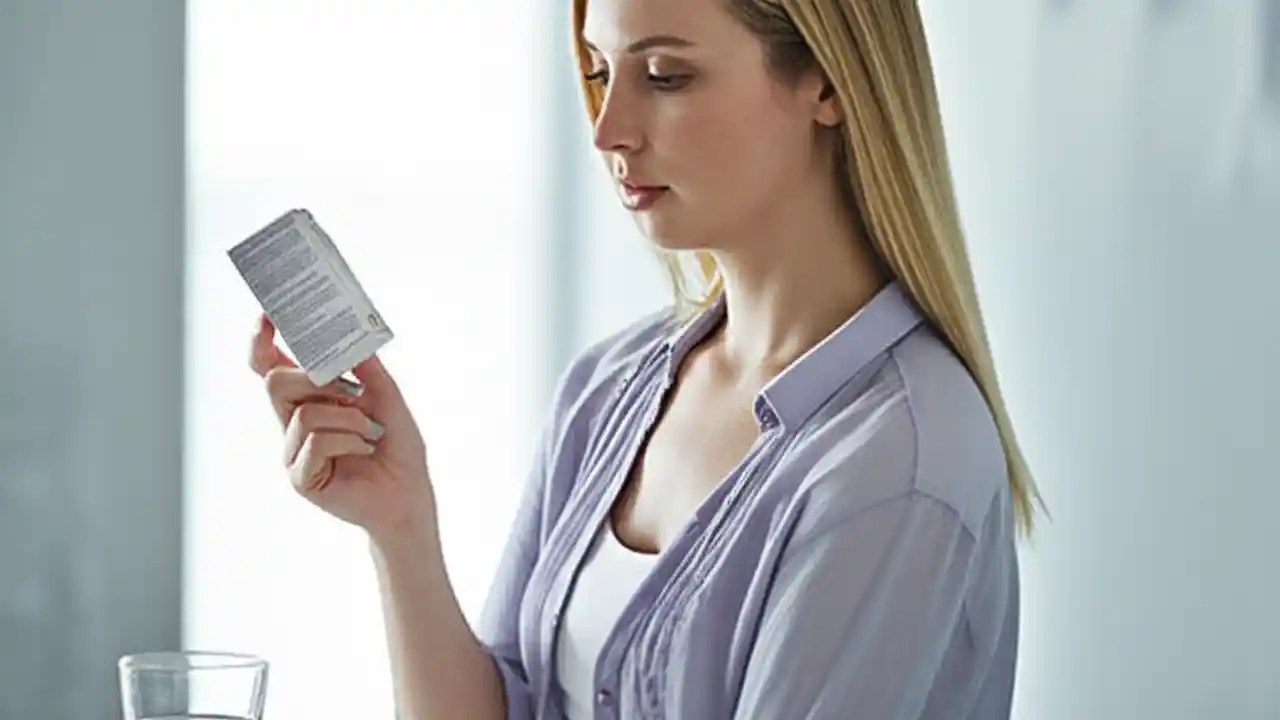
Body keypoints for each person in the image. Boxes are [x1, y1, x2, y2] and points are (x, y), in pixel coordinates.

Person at [248, 0, 1047, 717]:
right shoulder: (607, 387)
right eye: (599, 72)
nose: (608, 129)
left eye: (666, 75)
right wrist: (400, 526)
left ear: (829, 83)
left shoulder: (898, 458)